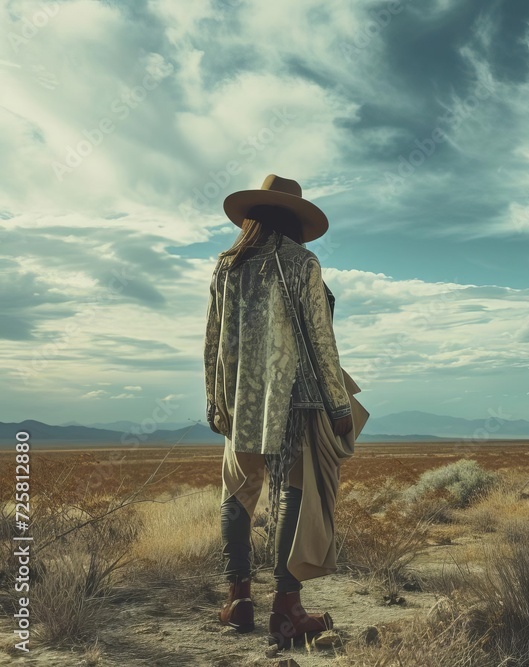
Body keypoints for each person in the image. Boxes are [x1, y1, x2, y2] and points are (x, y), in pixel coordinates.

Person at [203, 174, 367, 648]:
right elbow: (321, 340)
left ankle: (237, 601)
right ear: (294, 219)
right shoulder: (302, 263)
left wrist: (216, 401)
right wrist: (339, 406)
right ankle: (286, 608)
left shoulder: (226, 266)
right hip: (297, 399)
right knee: (295, 491)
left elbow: (212, 340)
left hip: (239, 400)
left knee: (237, 492)